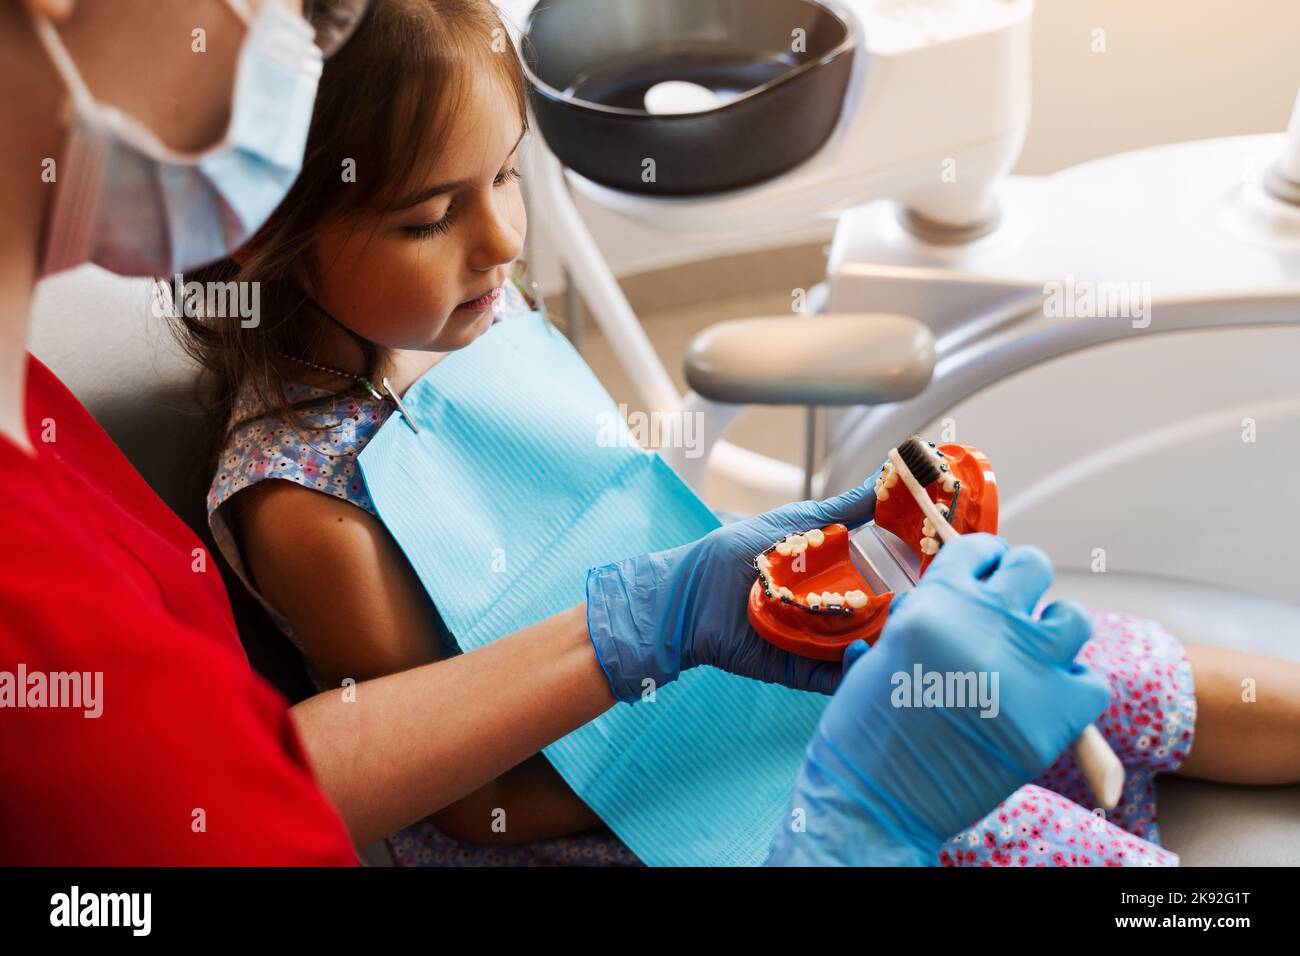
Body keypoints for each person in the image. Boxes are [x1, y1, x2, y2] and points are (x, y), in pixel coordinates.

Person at [0, 0, 1113, 866]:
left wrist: (743, 598)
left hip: (714, 695)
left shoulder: (476, 325)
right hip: (629, 792)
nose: (498, 241)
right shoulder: (290, 504)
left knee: (1103, 658)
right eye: (428, 216)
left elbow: (278, 765)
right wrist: (840, 798)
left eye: (506, 176)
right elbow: (458, 795)